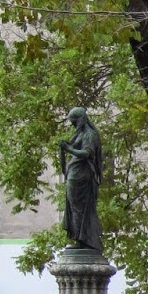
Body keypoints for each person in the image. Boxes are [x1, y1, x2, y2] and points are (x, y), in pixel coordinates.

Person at [60, 107, 103, 252]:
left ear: (80, 120)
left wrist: (68, 149)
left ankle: (83, 239)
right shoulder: (80, 133)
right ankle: (79, 237)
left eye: (74, 122)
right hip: (75, 173)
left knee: (78, 207)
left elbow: (86, 153)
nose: (72, 125)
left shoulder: (90, 134)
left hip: (81, 176)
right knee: (73, 207)